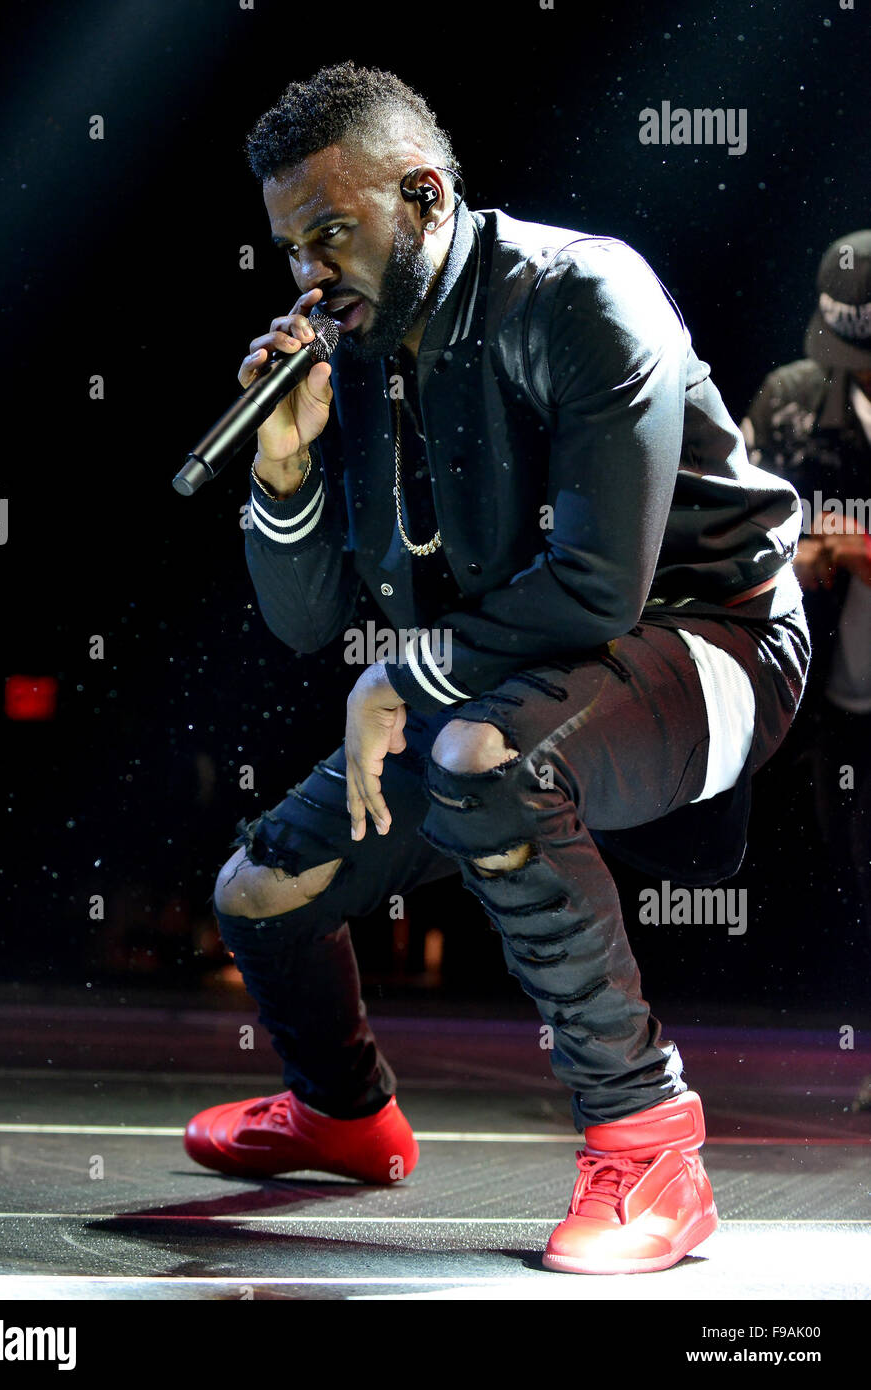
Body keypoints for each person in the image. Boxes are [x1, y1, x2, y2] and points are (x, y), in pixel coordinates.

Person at [183, 63, 810, 1275]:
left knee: (479, 758)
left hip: (716, 634)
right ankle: (343, 1114)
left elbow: (599, 588)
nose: (309, 270)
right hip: (519, 660)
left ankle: (650, 1144)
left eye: (331, 233)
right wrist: (283, 470)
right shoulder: (357, 353)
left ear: (421, 195)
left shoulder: (582, 292)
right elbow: (309, 620)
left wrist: (404, 681)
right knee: (255, 891)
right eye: (288, 246)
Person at [741, 231, 871, 944]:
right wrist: (801, 558)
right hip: (818, 690)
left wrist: (862, 548)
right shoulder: (788, 403)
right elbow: (727, 534)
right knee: (833, 862)